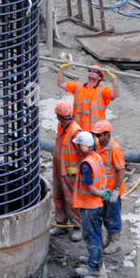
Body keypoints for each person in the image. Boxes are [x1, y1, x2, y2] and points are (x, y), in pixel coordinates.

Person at [71, 130, 108, 278]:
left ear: (84, 147)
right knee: (97, 234)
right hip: (97, 205)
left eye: (79, 145)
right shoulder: (96, 157)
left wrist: (100, 193)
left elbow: (91, 188)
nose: (77, 148)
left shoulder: (86, 164)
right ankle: (95, 260)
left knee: (91, 235)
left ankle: (93, 267)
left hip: (90, 206)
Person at [52, 98, 83, 240]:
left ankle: (78, 226)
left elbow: (84, 153)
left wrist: (76, 169)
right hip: (59, 168)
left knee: (72, 199)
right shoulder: (61, 126)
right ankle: (61, 223)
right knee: (58, 196)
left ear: (59, 115)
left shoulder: (75, 131)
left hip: (70, 172)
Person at [58, 63, 119, 134]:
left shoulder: (102, 90)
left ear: (100, 78)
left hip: (95, 132)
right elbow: (61, 84)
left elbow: (116, 94)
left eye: (95, 71)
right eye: (90, 70)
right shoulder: (78, 86)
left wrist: (114, 78)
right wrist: (61, 69)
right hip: (77, 129)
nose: (91, 72)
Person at [93, 119, 125, 252]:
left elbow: (121, 170)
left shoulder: (114, 149)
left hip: (112, 191)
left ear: (107, 134)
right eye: (95, 135)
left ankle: (115, 242)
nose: (97, 137)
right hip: (103, 190)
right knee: (105, 216)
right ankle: (109, 239)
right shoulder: (99, 146)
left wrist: (116, 190)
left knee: (113, 216)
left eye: (99, 135)